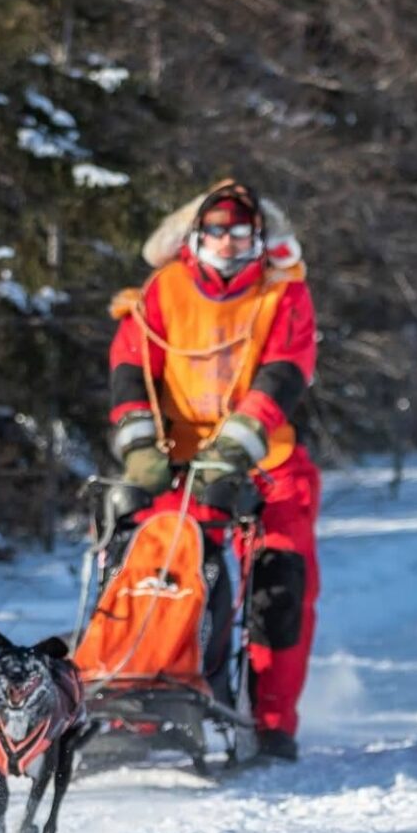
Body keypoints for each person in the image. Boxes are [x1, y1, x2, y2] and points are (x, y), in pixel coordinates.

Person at [108, 179, 320, 761]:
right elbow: (131, 369)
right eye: (217, 232)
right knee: (150, 569)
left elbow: (284, 373)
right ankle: (137, 694)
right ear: (195, 237)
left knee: (281, 584)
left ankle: (272, 722)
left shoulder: (284, 294)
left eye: (241, 232)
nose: (228, 243)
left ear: (259, 238)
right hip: (175, 462)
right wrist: (139, 448)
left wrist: (233, 448)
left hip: (264, 459)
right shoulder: (162, 290)